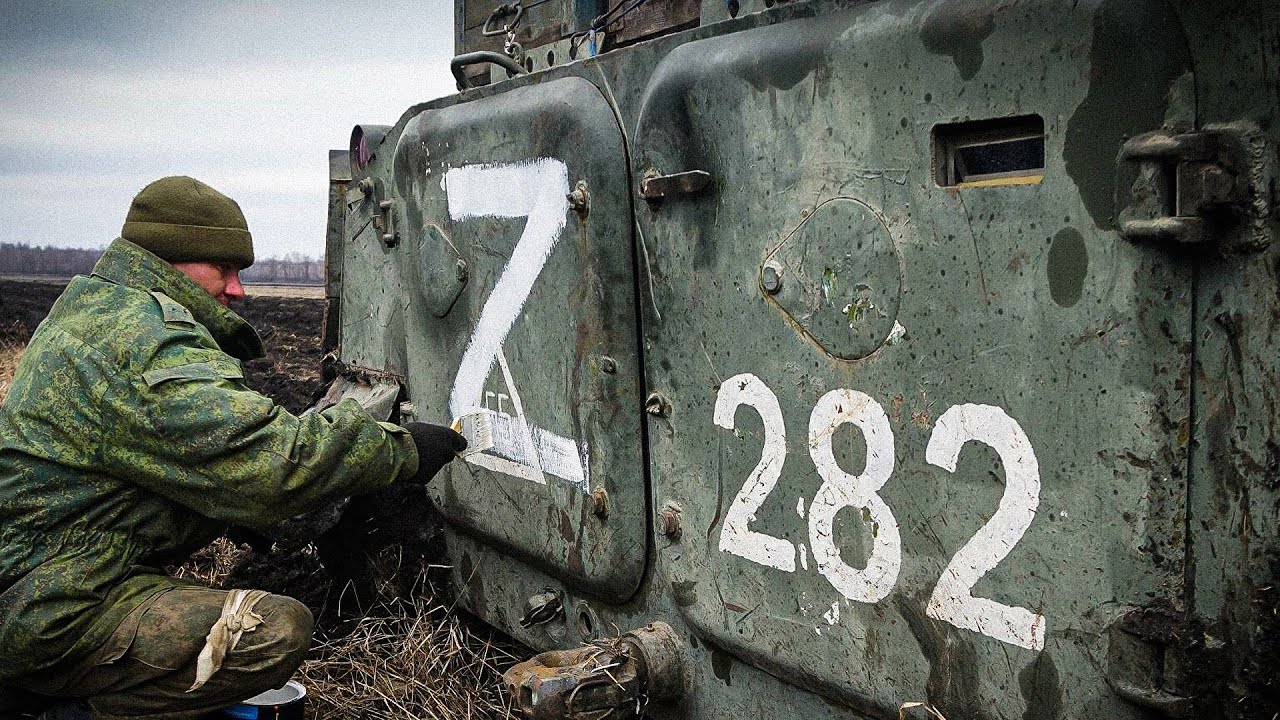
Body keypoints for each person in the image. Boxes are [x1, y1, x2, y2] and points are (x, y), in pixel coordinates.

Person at [0, 176, 466, 719]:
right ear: (169, 259)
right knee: (270, 631)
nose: (238, 288)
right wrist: (404, 450)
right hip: (47, 608)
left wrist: (222, 513)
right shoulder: (145, 342)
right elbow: (273, 466)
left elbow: (154, 459)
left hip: (39, 580)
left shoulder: (96, 309)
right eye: (223, 267)